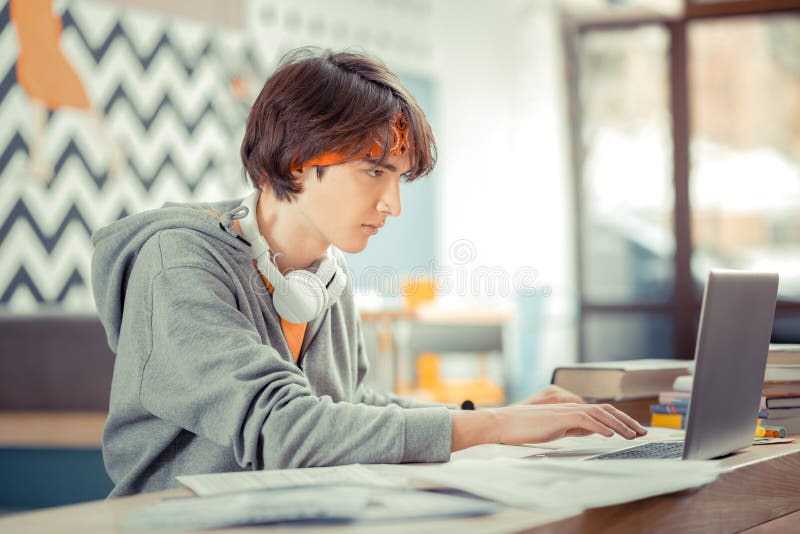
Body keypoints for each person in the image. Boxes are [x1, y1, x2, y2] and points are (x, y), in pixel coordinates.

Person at [92, 47, 646, 497]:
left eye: (399, 177)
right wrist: (492, 428)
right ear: (294, 163)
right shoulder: (180, 263)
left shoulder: (324, 275)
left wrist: (490, 415)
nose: (393, 205)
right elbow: (287, 428)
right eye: (374, 171)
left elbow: (355, 408)